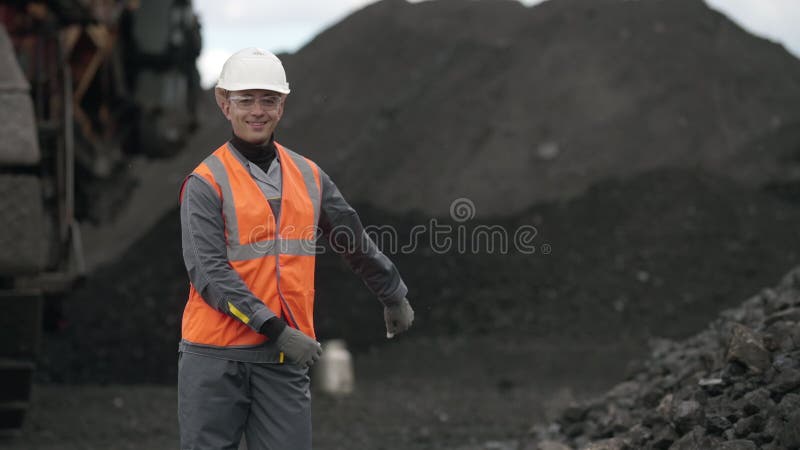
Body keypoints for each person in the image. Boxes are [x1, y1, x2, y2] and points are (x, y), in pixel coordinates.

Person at [177, 48, 414, 450]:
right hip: (216, 357)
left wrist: (392, 293)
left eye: (268, 100)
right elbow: (210, 274)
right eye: (246, 100)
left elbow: (353, 238)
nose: (257, 111)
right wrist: (274, 328)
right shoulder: (205, 183)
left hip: (283, 361)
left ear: (282, 106)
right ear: (225, 104)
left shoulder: (309, 176)